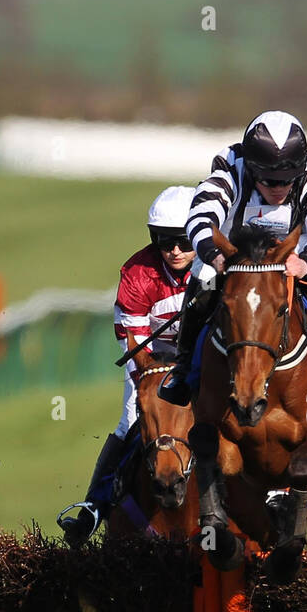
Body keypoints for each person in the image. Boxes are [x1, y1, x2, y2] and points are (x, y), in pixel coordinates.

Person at [157, 110, 307, 406]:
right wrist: (214, 255)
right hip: (236, 256)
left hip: (292, 254)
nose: (279, 189)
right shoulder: (229, 170)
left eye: (286, 181)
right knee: (203, 276)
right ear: (252, 169)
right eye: (269, 181)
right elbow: (200, 216)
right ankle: (184, 367)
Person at [58, 186, 198, 547]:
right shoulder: (137, 274)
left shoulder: (218, 268)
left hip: (202, 358)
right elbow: (135, 345)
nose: (175, 251)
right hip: (151, 360)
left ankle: (271, 499)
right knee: (130, 421)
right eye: (165, 242)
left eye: (184, 241)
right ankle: (93, 508)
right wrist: (153, 389)